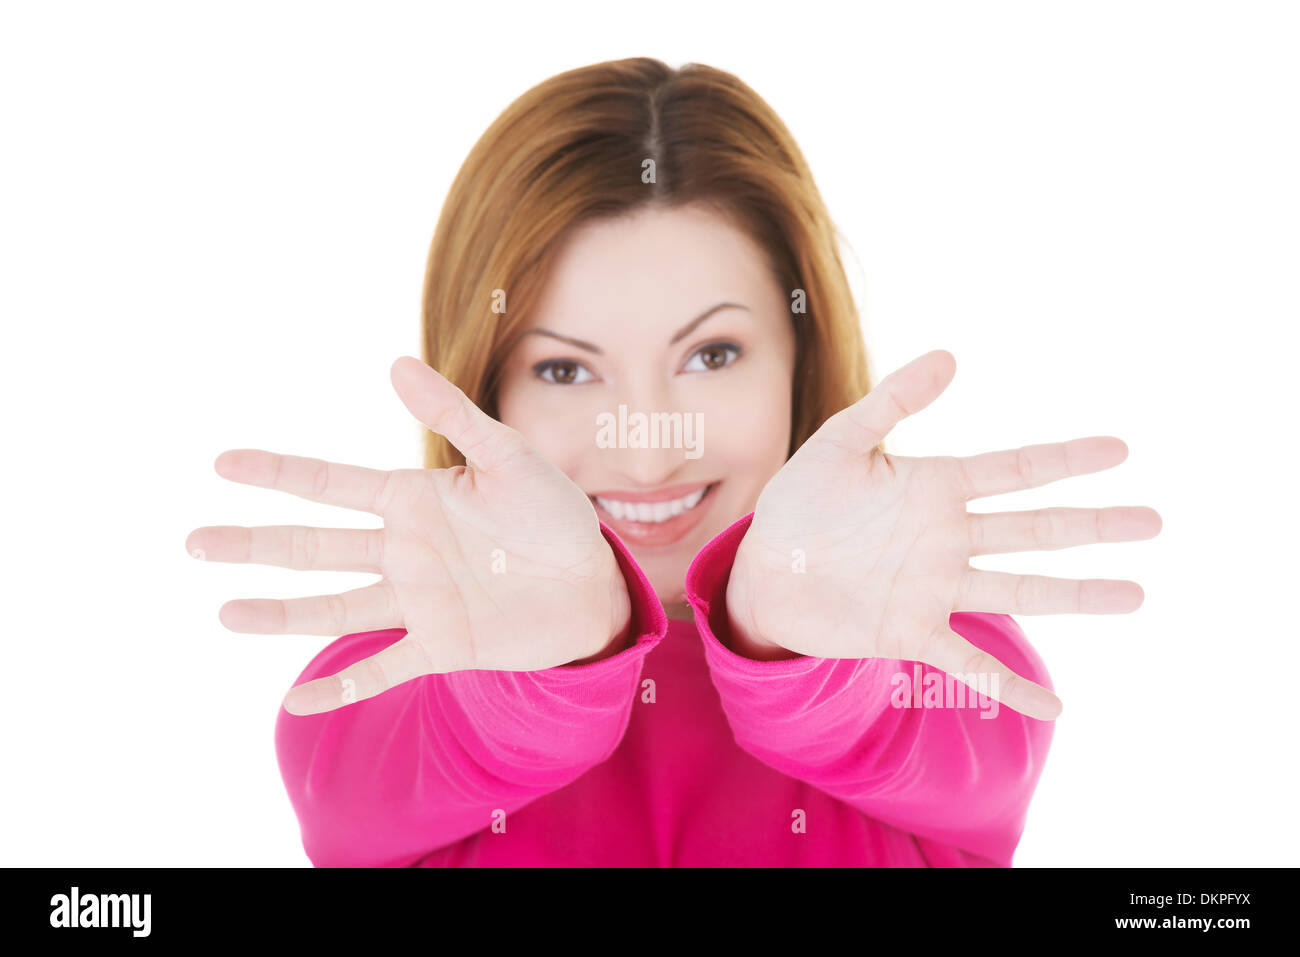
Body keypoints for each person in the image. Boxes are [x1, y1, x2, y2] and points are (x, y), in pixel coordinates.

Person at [186, 58, 1161, 866]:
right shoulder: (418, 653)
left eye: (710, 354)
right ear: (485, 387)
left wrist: (797, 650)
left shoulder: (922, 635)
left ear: (798, 359)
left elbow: (974, 754)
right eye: (565, 368)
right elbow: (346, 792)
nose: (644, 436)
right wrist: (543, 670)